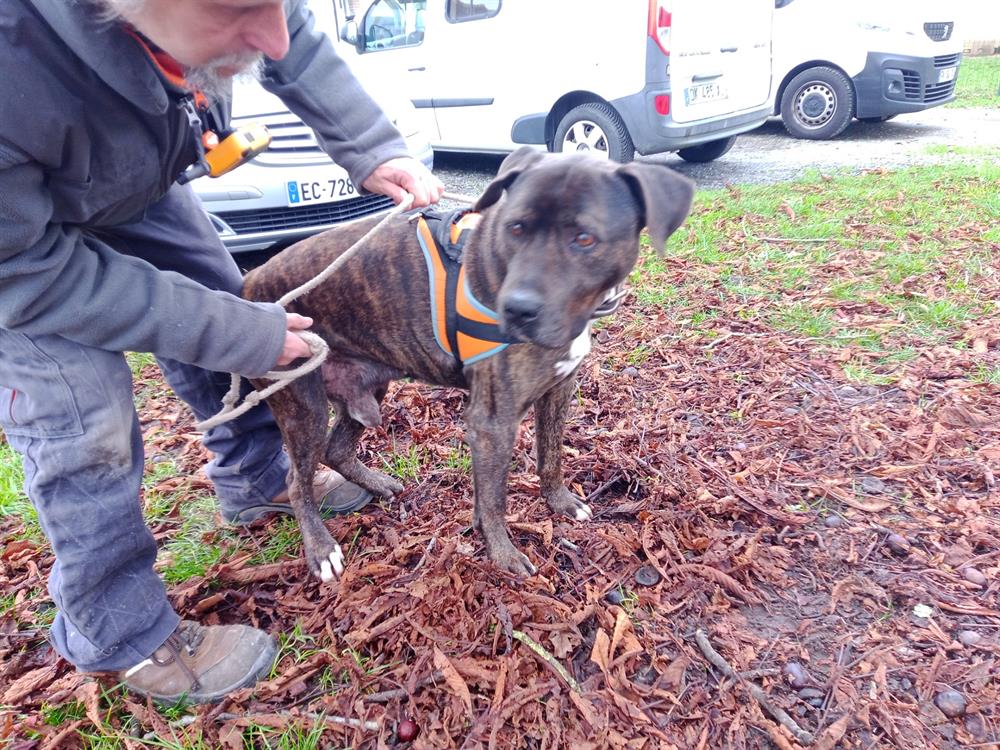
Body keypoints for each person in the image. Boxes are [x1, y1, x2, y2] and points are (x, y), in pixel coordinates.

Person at [0, 0, 443, 703]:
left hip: (125, 185)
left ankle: (258, 477)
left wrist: (370, 143)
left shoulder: (223, 19)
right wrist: (235, 332)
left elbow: (288, 31)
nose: (270, 37)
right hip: (13, 253)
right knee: (83, 416)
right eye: (238, 11)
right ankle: (123, 636)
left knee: (221, 293)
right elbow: (21, 268)